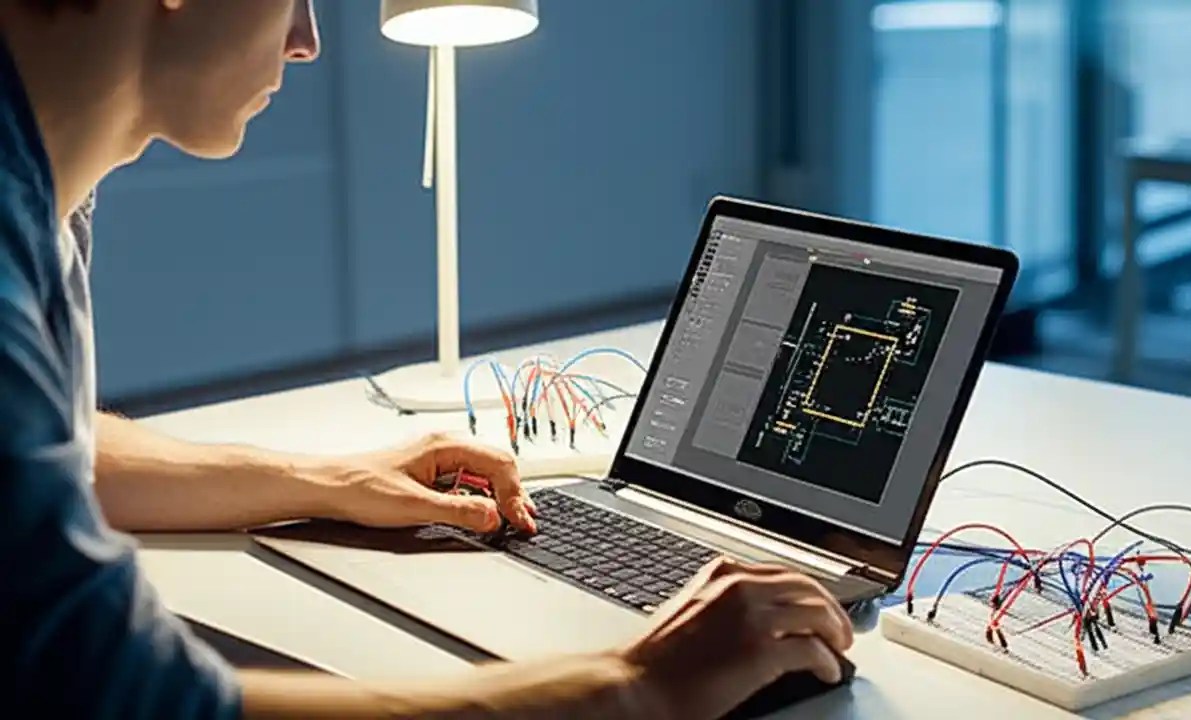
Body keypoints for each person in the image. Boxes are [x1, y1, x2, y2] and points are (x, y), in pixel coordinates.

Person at [0, 0, 855, 717]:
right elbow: (121, 697)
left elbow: (58, 459)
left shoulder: (48, 194)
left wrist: (330, 481)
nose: (306, 40)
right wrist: (633, 690)